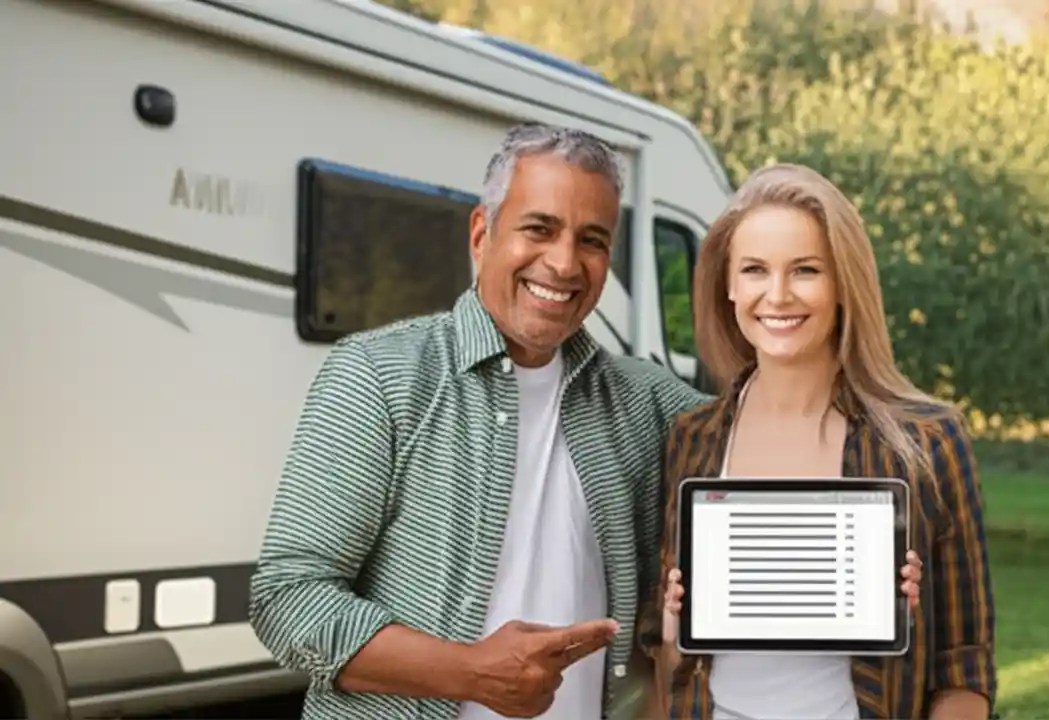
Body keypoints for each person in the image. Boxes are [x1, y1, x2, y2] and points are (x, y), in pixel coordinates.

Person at [247, 123, 708, 720]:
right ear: (481, 233)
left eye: (592, 240)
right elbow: (287, 598)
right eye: (539, 228)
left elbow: (774, 428)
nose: (565, 263)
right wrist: (471, 674)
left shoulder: (645, 402)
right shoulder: (378, 375)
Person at [643, 164, 997, 720]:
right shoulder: (691, 440)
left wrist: (903, 621)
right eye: (755, 270)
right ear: (729, 286)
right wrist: (673, 630)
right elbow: (667, 666)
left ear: (842, 284)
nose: (778, 295)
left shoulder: (927, 442)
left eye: (806, 270)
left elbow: (965, 670)